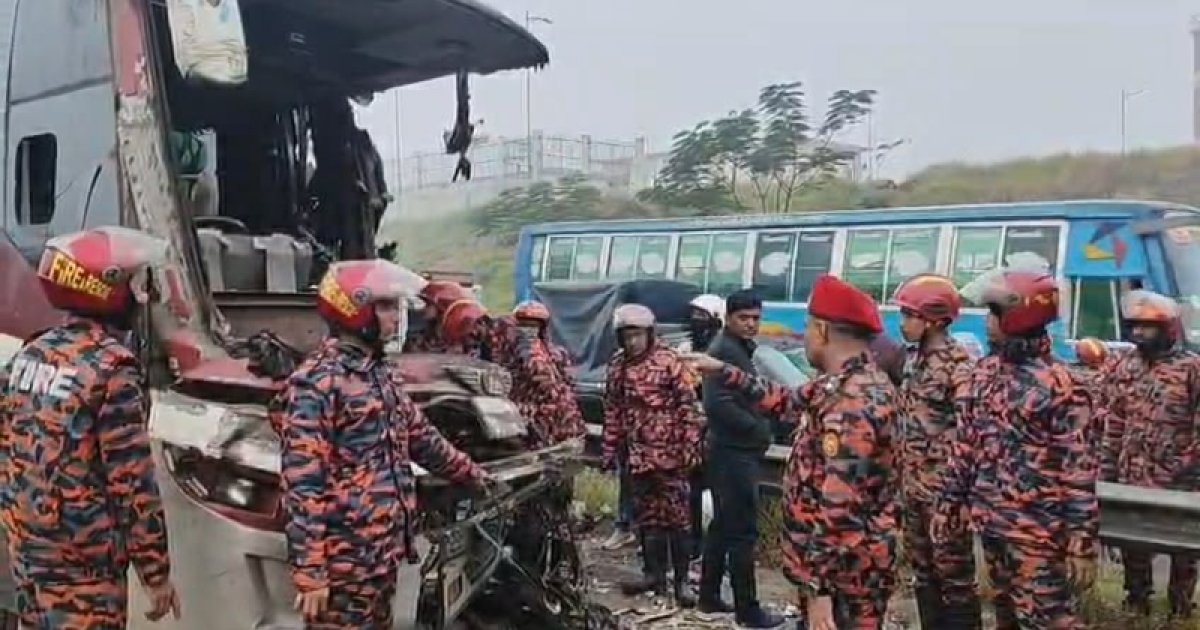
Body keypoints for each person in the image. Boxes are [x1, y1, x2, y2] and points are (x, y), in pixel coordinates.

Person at [279, 259, 494, 628]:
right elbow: (303, 483)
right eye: (386, 306)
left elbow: (422, 438)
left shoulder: (379, 375)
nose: (397, 317)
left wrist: (472, 474)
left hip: (382, 556)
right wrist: (311, 571)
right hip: (344, 565)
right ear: (355, 310)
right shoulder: (317, 383)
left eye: (396, 306)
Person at [688, 274, 900, 629]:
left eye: (807, 326)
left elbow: (840, 510)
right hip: (835, 572)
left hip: (846, 578)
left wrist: (819, 591)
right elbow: (784, 400)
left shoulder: (854, 403)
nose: (805, 335)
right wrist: (723, 370)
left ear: (822, 330)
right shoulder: (838, 383)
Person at [0, 226, 181, 629]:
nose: (140, 296)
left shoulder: (32, 354)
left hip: (29, 554)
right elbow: (132, 484)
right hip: (84, 569)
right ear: (106, 290)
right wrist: (156, 575)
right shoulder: (111, 370)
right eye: (133, 284)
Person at [932, 270, 1098, 629]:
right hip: (992, 524)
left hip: (1038, 535)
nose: (987, 321)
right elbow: (965, 446)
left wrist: (1081, 543)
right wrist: (949, 505)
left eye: (995, 313)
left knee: (1049, 620)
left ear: (1019, 317)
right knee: (1004, 616)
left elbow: (1078, 472)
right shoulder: (984, 373)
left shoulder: (1062, 385)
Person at [1099, 290, 1199, 619]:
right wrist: (1107, 472)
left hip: (1179, 481)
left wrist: (1191, 469)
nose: (1139, 332)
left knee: (1183, 551)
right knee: (1133, 547)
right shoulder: (1124, 365)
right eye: (1135, 326)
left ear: (1167, 328)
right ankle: (1137, 601)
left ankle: (1180, 609)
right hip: (1132, 477)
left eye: (1147, 326)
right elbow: (1114, 421)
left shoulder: (1191, 369)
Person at [891, 274, 980, 628]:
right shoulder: (914, 360)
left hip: (945, 496)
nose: (902, 323)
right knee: (923, 573)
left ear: (934, 320)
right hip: (914, 489)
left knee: (955, 579)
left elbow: (970, 433)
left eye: (909, 315)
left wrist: (959, 496)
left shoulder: (958, 365)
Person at [601, 304, 703, 607]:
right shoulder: (617, 366)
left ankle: (681, 582)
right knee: (647, 517)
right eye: (627, 336)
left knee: (677, 519)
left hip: (671, 455)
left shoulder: (669, 361)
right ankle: (653, 575)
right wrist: (609, 448)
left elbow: (689, 407)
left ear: (649, 333)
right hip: (638, 456)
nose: (633, 342)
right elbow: (613, 410)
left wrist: (690, 447)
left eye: (638, 335)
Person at [696, 289, 783, 627]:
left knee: (723, 526)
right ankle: (748, 609)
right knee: (743, 533)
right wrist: (760, 431)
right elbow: (718, 405)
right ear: (728, 318)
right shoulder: (724, 350)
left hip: (733, 450)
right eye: (743, 318)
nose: (750, 324)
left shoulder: (737, 348)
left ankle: (709, 596)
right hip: (732, 452)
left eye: (756, 318)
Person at [677, 294, 725, 561]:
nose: (695, 322)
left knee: (718, 492)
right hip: (691, 431)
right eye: (693, 316)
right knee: (691, 491)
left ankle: (715, 549)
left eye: (701, 317)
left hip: (716, 431)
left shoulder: (722, 352)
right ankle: (693, 544)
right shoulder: (685, 349)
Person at [404, 280, 470, 353]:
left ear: (443, 307)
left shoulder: (461, 338)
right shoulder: (423, 330)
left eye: (428, 304)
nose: (424, 308)